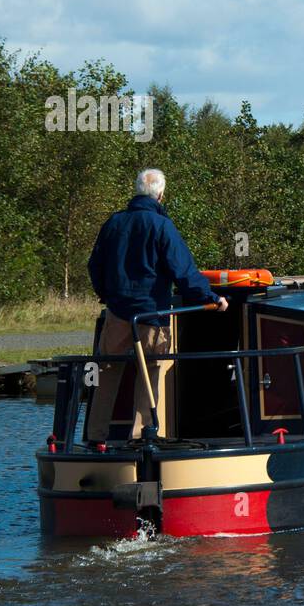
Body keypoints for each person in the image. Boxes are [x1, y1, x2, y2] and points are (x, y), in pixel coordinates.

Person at [85, 168, 227, 442]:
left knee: (106, 371)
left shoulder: (114, 223)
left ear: (138, 190)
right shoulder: (162, 227)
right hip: (152, 313)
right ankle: (141, 436)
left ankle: (95, 436)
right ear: (161, 194)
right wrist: (212, 298)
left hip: (118, 313)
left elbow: (95, 265)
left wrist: (106, 294)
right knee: (149, 371)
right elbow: (183, 272)